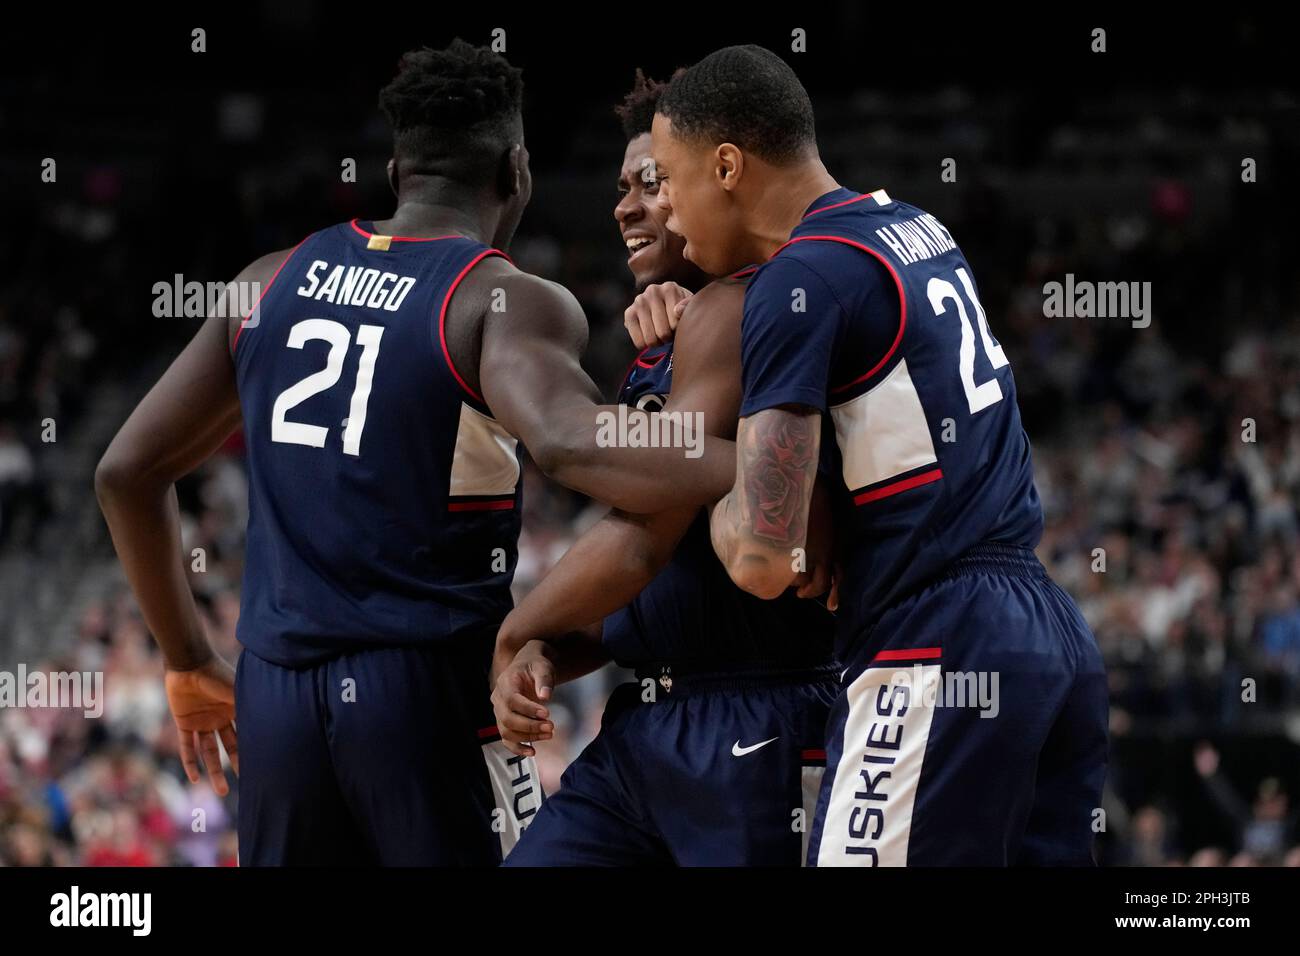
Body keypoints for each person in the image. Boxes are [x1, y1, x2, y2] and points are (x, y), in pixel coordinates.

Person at [95, 41, 734, 866]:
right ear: (516, 172)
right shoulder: (501, 298)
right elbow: (571, 443)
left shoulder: (264, 281)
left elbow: (124, 473)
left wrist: (186, 659)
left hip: (275, 693)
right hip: (428, 694)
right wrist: (762, 462)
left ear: (398, 171)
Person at [652, 44, 1108, 865]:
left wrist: (723, 492)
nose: (669, 215)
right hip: (1049, 631)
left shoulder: (801, 281)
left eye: (668, 179)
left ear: (725, 166)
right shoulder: (914, 228)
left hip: (936, 641)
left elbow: (763, 556)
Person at [492, 72, 837, 866]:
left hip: (766, 711)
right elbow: (649, 576)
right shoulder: (662, 343)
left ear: (712, 178)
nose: (632, 206)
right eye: (623, 187)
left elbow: (644, 534)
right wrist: (555, 650)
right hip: (648, 716)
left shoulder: (761, 306)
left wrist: (523, 628)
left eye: (655, 181)